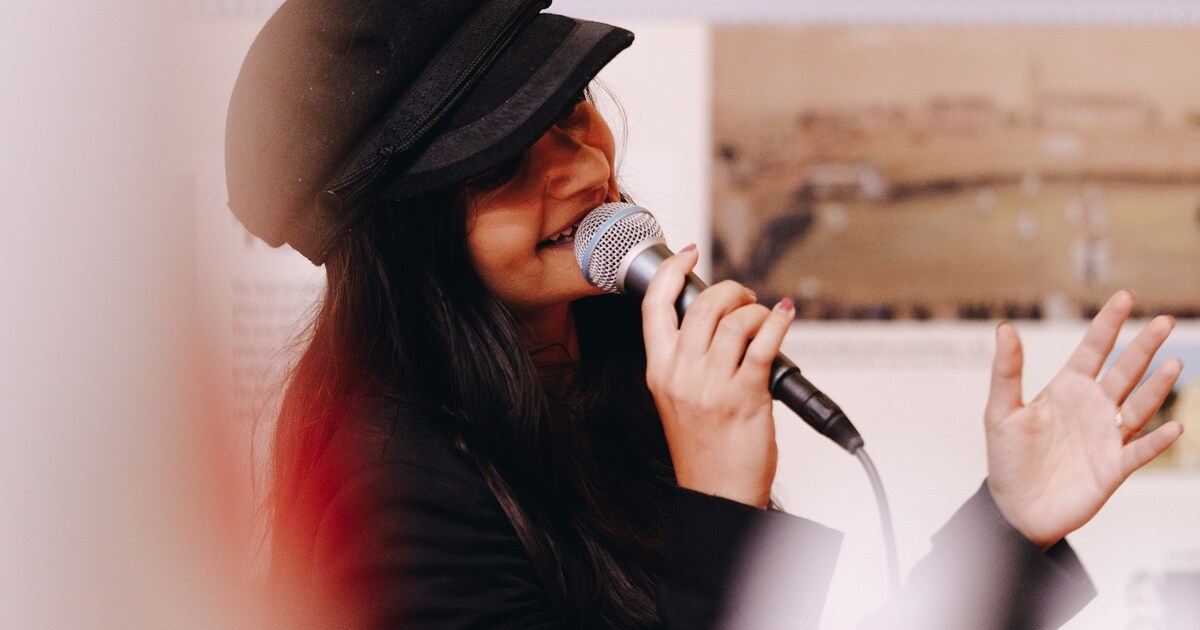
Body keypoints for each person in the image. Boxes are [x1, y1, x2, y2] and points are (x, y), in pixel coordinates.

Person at [224, 0, 1184, 627]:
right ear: (410, 236)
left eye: (572, 115)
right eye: (502, 168)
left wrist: (1009, 530)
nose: (586, 169)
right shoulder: (389, 489)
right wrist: (718, 501)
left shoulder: (604, 377)